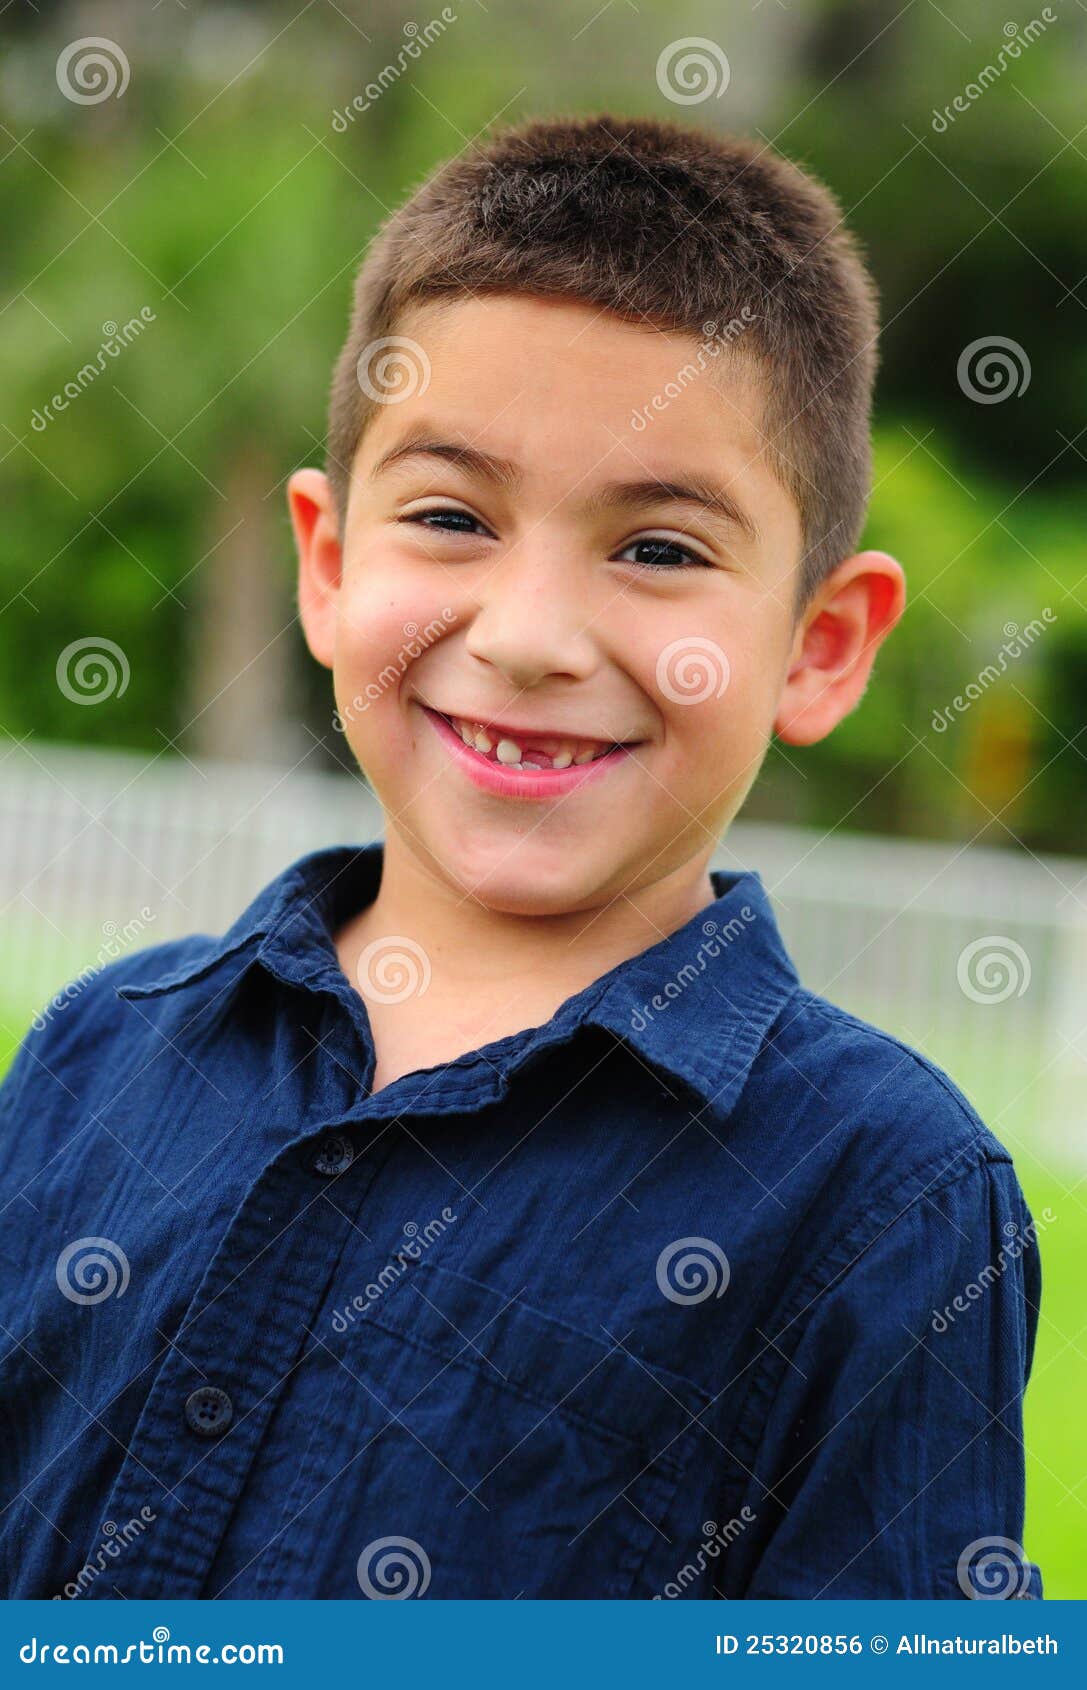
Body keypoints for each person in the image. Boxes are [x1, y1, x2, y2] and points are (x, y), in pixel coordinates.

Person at [0, 113, 1041, 1601]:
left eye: (660, 548)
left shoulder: (886, 1192)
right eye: (448, 517)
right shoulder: (97, 1053)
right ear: (331, 563)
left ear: (820, 646)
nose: (532, 637)